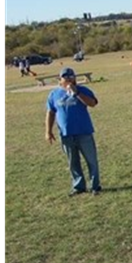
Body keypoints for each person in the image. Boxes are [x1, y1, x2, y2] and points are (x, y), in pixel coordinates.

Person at [45, 67, 101, 196]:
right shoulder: (54, 94)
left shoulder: (83, 90)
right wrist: (48, 131)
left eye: (71, 76)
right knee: (73, 162)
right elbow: (50, 112)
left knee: (91, 161)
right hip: (66, 134)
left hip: (84, 132)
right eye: (66, 77)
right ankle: (79, 186)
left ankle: (95, 186)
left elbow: (92, 103)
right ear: (60, 80)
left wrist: (77, 93)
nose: (69, 79)